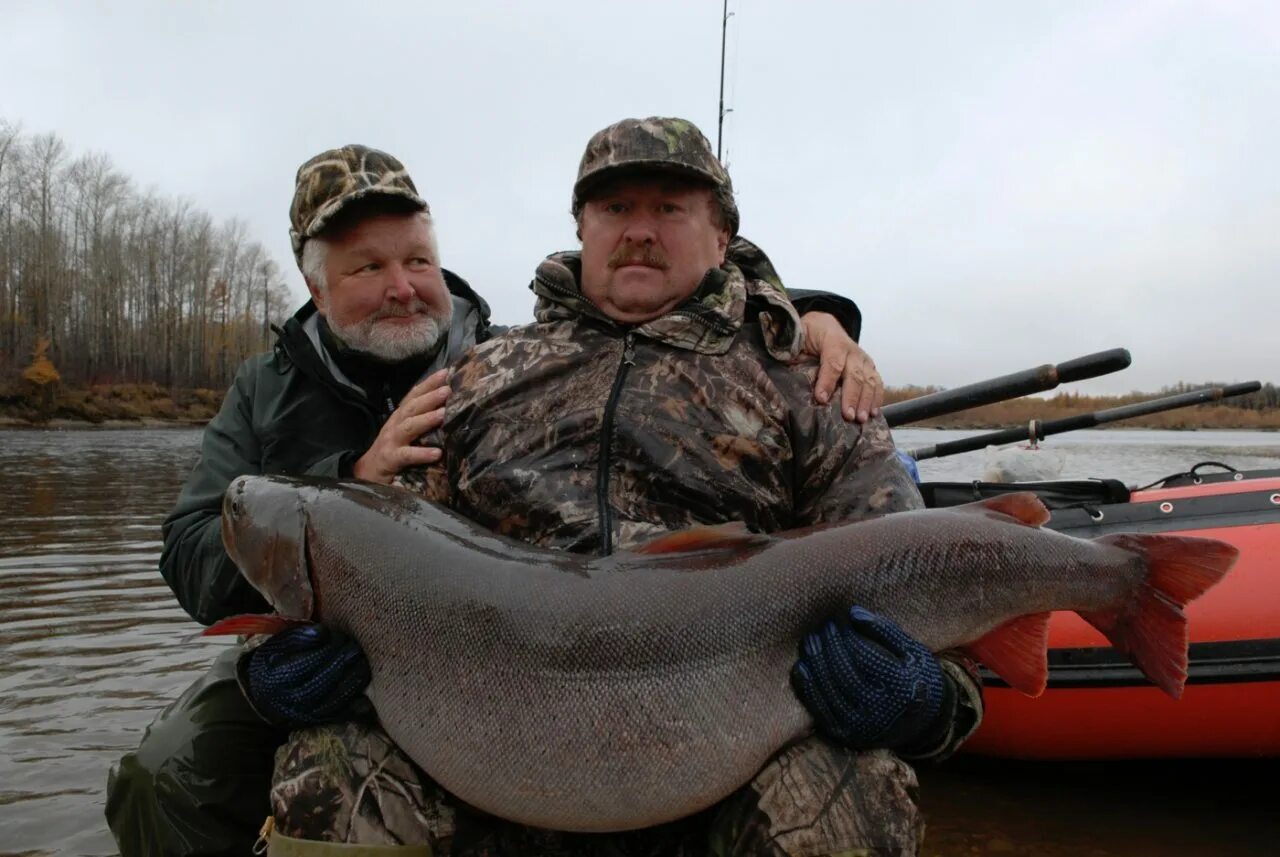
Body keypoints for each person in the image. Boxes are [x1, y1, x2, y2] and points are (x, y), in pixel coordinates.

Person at [105, 141, 886, 857]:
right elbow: (203, 554)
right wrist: (272, 656)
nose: (402, 286)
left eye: (417, 259)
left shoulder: (798, 381)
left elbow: (897, 555)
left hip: (722, 706)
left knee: (858, 778)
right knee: (192, 770)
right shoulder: (462, 383)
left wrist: (807, 316)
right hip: (458, 685)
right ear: (315, 284)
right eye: (615, 209)